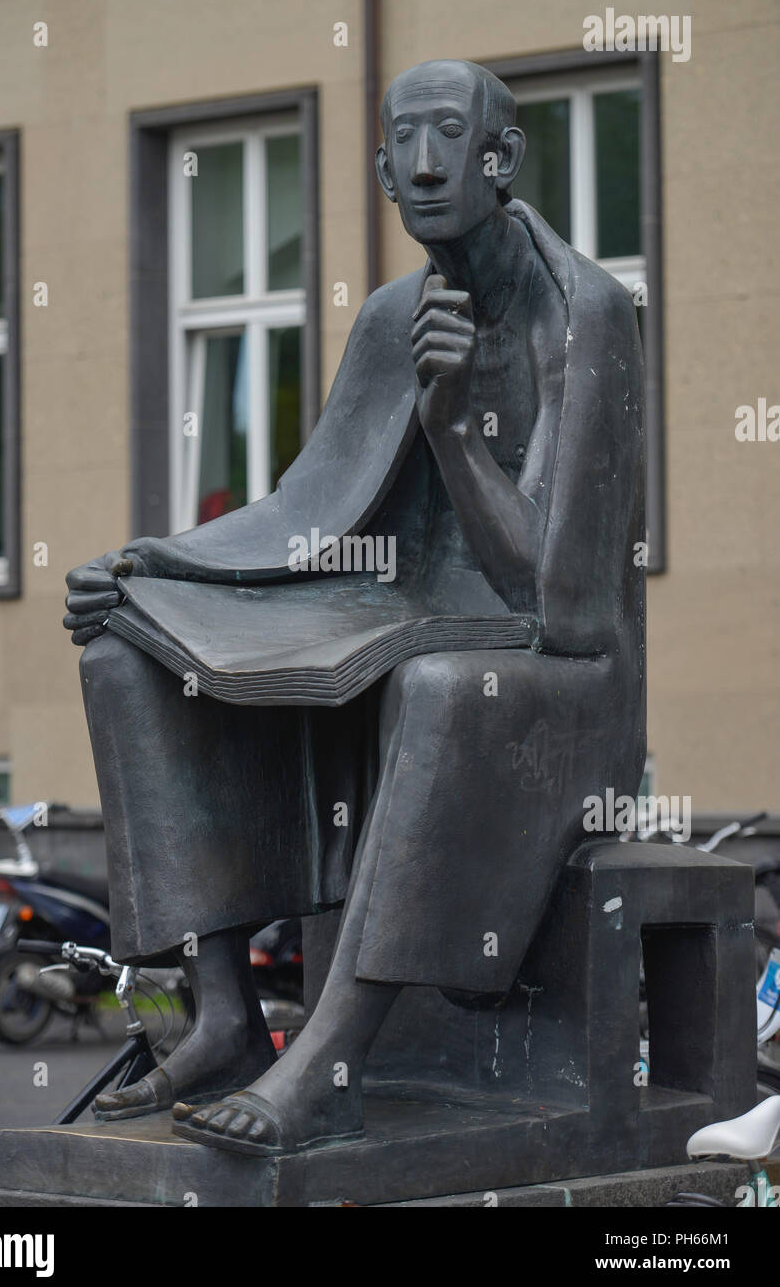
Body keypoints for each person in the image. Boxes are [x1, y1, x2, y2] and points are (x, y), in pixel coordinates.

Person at [64, 59, 645, 1154]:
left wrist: (454, 427)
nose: (424, 164)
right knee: (127, 647)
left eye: (448, 137)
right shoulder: (395, 315)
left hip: (560, 681)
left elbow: (559, 601)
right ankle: (227, 1016)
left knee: (439, 683)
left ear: (499, 158)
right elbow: (305, 510)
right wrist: (159, 561)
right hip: (400, 623)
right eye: (402, 143)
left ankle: (327, 1059)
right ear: (380, 169)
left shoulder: (588, 317)